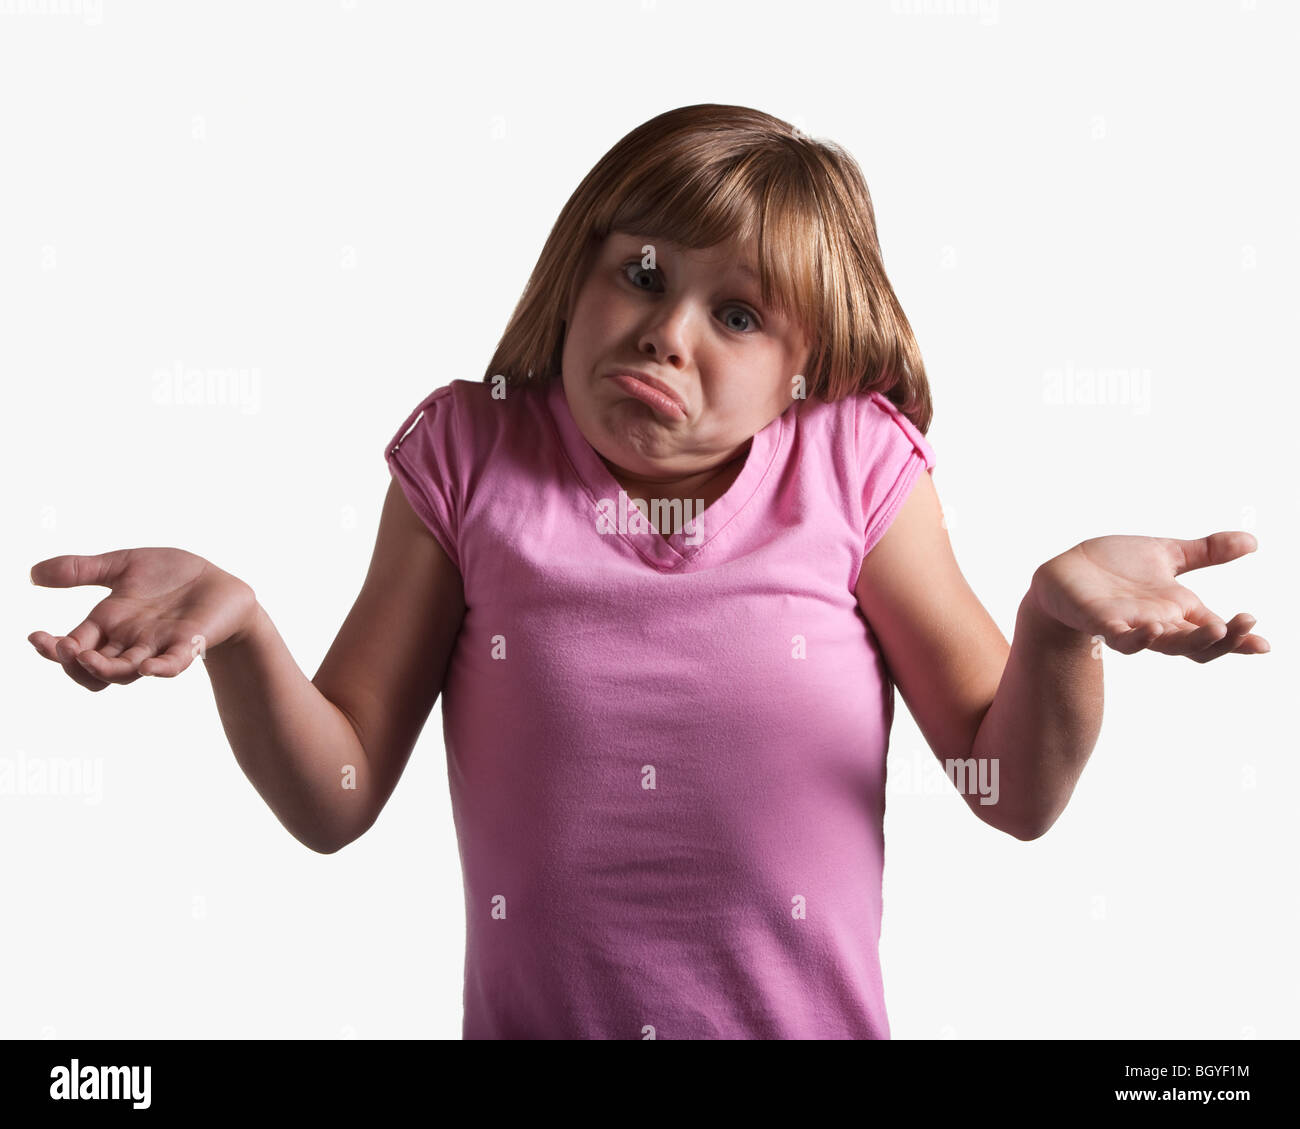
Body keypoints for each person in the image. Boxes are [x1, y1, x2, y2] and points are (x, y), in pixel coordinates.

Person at [28, 104, 1269, 1040]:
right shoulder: (470, 451)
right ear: (579, 272)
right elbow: (335, 796)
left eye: (738, 314)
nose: (667, 329)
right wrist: (245, 636)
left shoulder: (851, 464)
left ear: (805, 367)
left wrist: (1053, 628)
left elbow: (1011, 793)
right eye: (641, 274)